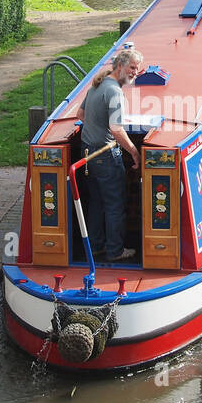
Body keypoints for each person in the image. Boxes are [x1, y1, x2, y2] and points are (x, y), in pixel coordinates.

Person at [76, 48, 144, 262]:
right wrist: (134, 152)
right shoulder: (114, 91)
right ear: (121, 66)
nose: (135, 72)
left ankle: (96, 247)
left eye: (137, 69)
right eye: (132, 67)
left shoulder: (97, 85)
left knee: (97, 201)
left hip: (87, 152)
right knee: (115, 204)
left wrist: (96, 129)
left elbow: (81, 115)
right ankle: (115, 251)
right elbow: (116, 129)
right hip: (105, 154)